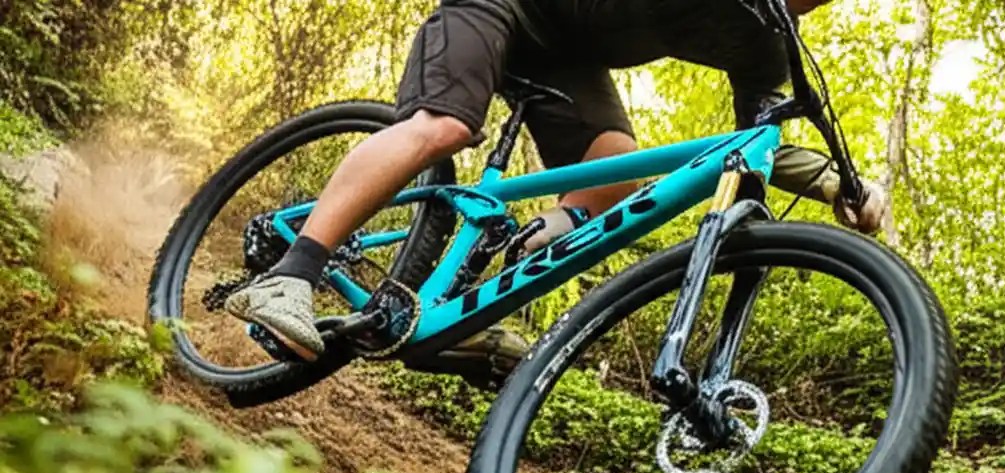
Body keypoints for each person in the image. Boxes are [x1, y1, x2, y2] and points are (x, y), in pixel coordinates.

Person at [227, 0, 885, 368]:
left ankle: (459, 308)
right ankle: (291, 273)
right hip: (499, 5)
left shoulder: (768, 39)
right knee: (445, 128)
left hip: (565, 59)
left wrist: (843, 186)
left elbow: (764, 137)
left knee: (616, 166)